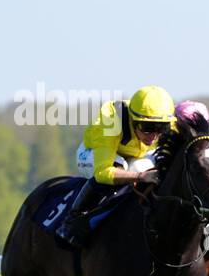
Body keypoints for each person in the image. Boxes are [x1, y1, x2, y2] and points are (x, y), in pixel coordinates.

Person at [55, 85, 175, 247]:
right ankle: (72, 220)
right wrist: (139, 177)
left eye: (162, 129)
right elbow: (103, 173)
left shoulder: (164, 122)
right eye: (147, 128)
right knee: (122, 168)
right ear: (133, 120)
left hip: (133, 156)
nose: (154, 136)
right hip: (92, 154)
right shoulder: (111, 121)